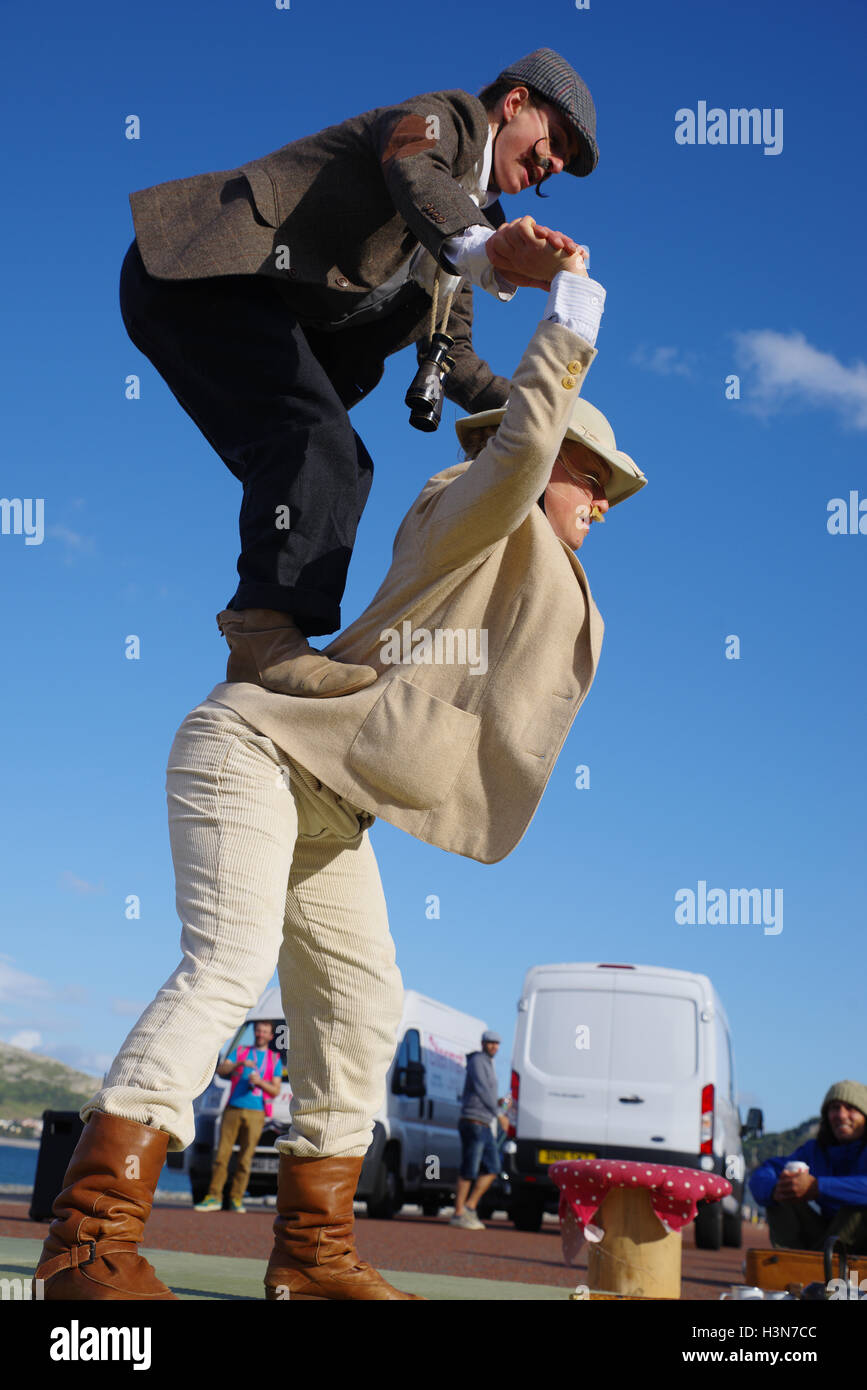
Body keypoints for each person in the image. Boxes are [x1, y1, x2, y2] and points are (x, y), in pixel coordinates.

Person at [33, 242, 647, 1301]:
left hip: (333, 806)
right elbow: (520, 450)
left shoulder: (532, 563)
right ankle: (85, 1244)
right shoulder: (470, 507)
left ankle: (310, 1258)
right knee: (228, 965)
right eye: (594, 483)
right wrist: (572, 316)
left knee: (366, 1008)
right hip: (255, 752)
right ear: (548, 463)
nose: (603, 505)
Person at [119, 48, 599, 698]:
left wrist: (558, 423)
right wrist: (483, 249)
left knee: (342, 458)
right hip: (196, 275)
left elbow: (453, 360)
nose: (553, 163)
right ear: (513, 104)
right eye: (555, 140)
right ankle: (264, 639)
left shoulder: (473, 229)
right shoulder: (443, 120)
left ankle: (269, 652)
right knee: (314, 441)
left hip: (249, 319)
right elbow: (410, 160)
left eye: (562, 163)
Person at [748, 1081, 867, 1255]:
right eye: (834, 1108)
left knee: (857, 1205)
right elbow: (763, 1173)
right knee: (783, 1189)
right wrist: (776, 1190)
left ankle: (824, 1265)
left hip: (859, 1243)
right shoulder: (814, 1151)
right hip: (824, 1235)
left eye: (851, 1108)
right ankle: (796, 1262)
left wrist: (817, 1187)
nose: (841, 1115)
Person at [194, 1020, 283, 1213]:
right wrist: (240, 1064)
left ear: (270, 1036)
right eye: (258, 1030)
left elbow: (275, 1090)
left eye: (265, 1031)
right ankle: (214, 1197)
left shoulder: (274, 1059)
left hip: (257, 1113)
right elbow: (221, 1070)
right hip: (233, 1108)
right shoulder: (241, 1052)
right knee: (222, 1155)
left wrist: (260, 1082)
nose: (260, 1034)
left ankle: (236, 1198)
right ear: (255, 1032)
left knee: (245, 1158)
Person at [451, 1031, 504, 1229]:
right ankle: (458, 1214)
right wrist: (499, 1113)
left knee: (493, 1168)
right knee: (469, 1168)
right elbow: (482, 1089)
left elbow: (487, 1093)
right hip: (473, 1121)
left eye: (496, 1044)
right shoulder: (477, 1061)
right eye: (490, 1043)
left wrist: (498, 1105)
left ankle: (469, 1207)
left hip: (484, 1123)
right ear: (483, 1043)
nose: (493, 1047)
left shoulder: (490, 1064)